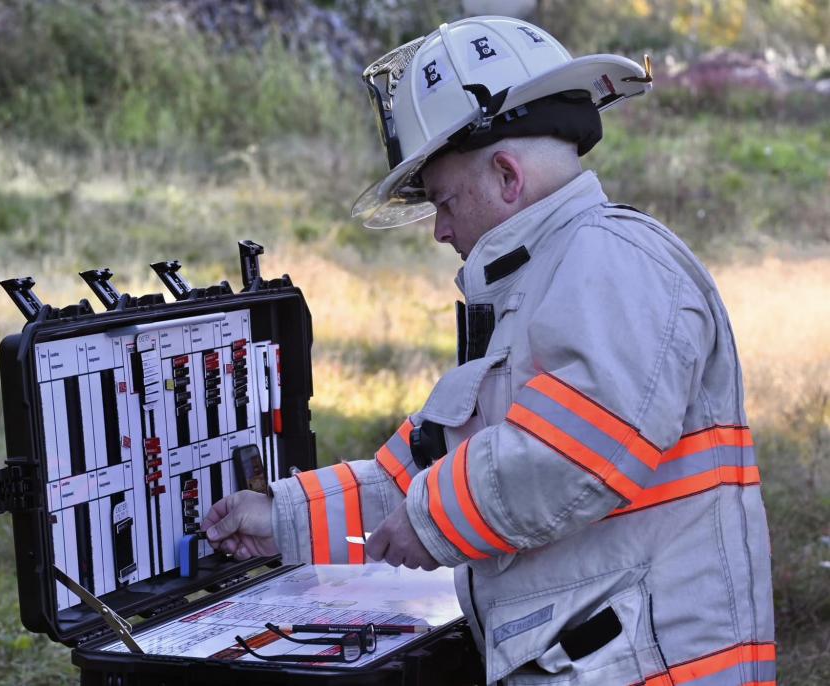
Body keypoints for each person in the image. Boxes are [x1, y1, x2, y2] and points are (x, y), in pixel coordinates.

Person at [204, 16, 775, 685]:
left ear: (506, 174)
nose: (440, 230)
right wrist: (279, 517)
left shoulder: (612, 260)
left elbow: (571, 457)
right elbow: (415, 477)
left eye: (444, 201)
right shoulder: (539, 285)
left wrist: (432, 519)